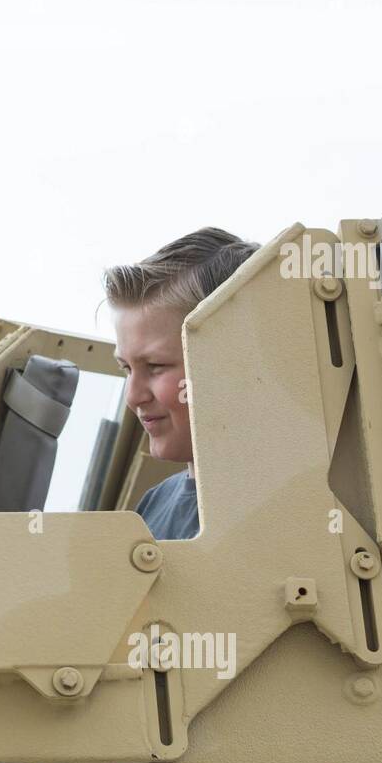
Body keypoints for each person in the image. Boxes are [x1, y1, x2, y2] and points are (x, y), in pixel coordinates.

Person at [105, 228, 258, 541]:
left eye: (156, 366)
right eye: (126, 368)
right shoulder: (152, 506)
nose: (133, 397)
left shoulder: (289, 508)